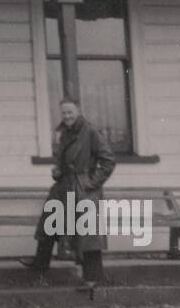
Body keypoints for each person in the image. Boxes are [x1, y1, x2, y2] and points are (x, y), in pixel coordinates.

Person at [27, 98, 116, 286]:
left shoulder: (90, 131)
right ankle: (39, 270)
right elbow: (63, 159)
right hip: (63, 186)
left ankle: (93, 278)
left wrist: (91, 182)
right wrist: (57, 170)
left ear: (79, 111)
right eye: (64, 113)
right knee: (48, 226)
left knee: (88, 233)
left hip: (83, 188)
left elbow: (108, 160)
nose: (67, 116)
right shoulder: (64, 133)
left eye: (70, 112)